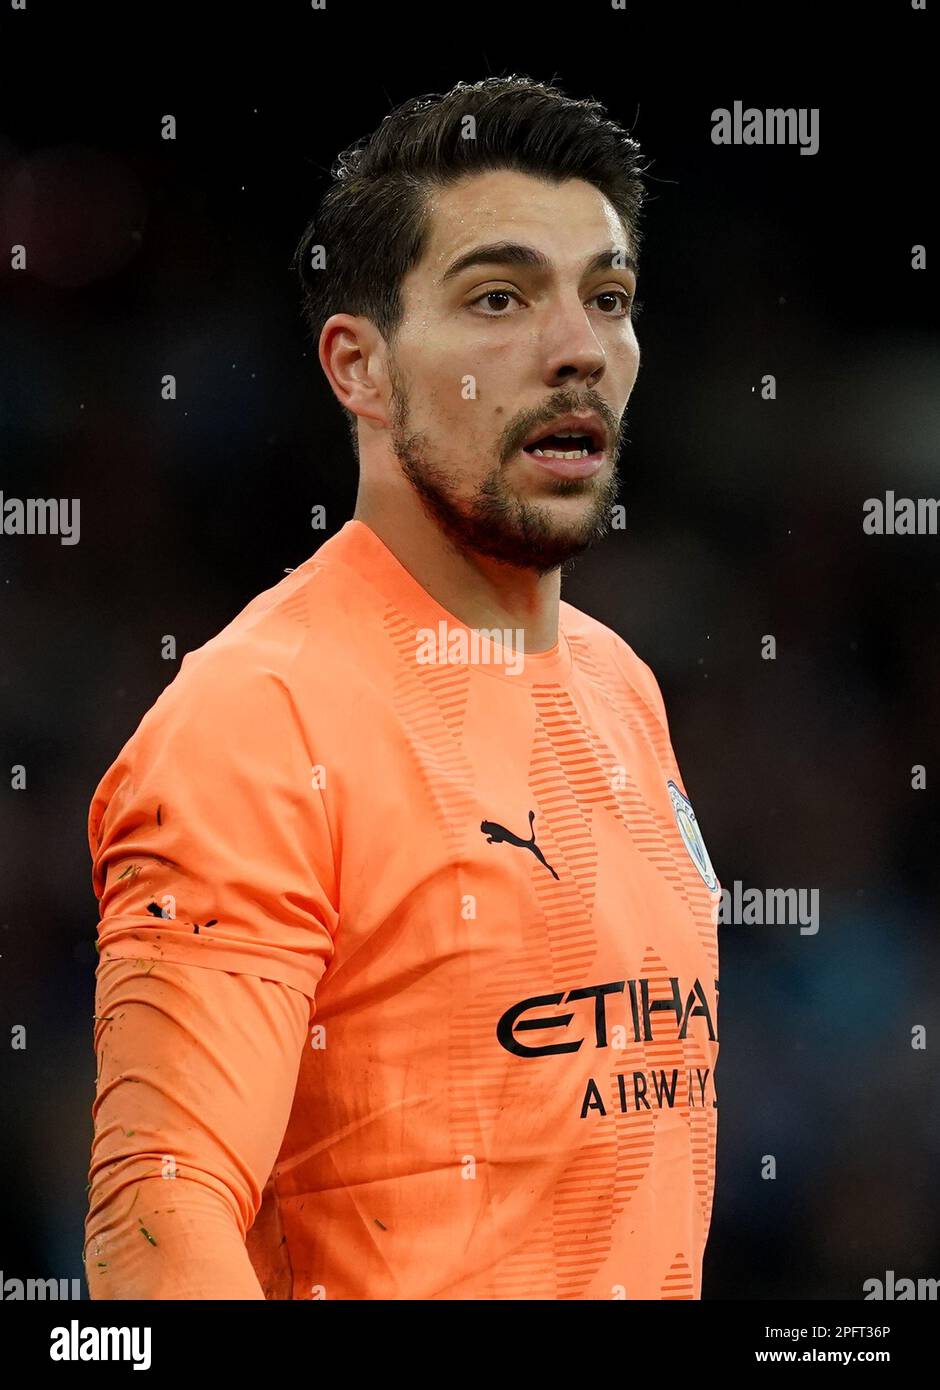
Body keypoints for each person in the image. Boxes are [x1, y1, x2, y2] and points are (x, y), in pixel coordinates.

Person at [85, 74, 721, 1301]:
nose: (578, 346)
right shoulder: (254, 720)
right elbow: (156, 1223)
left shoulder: (619, 685)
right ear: (359, 368)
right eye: (499, 297)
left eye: (607, 297)